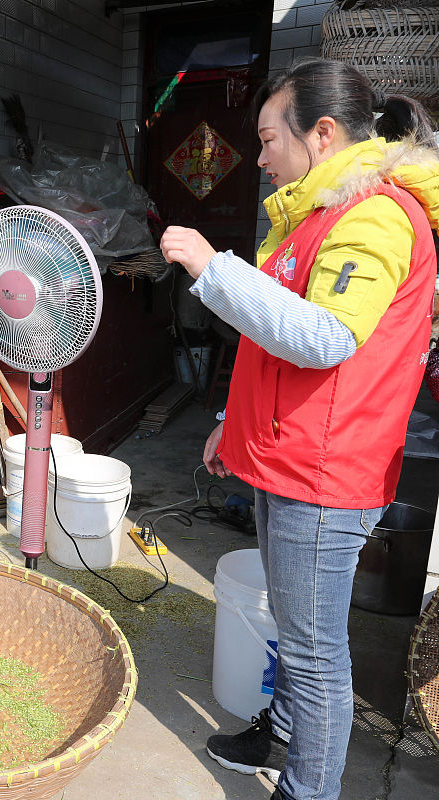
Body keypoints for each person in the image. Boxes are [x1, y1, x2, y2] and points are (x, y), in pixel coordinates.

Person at [160, 59, 438, 800]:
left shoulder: (373, 214)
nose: (259, 157)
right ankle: (280, 735)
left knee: (315, 653)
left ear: (320, 133)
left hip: (326, 473)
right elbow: (267, 339)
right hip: (291, 455)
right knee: (292, 617)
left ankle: (306, 788)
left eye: (266, 137)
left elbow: (324, 339)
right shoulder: (317, 214)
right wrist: (231, 423)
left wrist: (211, 268)